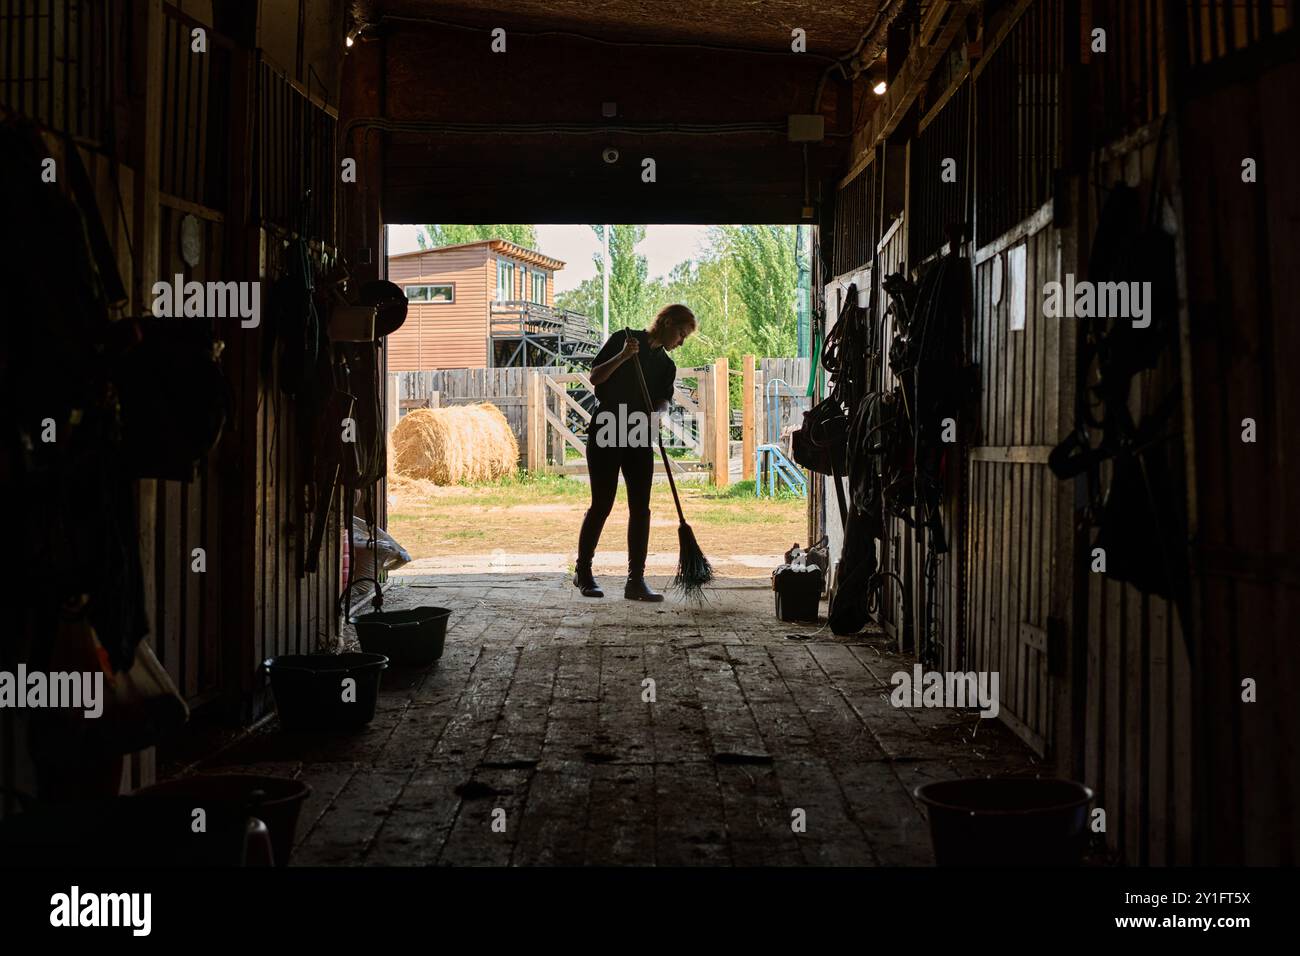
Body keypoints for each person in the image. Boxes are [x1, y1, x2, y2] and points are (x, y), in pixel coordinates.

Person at [574, 304, 696, 601]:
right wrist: (624, 357)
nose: (680, 343)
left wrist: (659, 414)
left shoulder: (666, 366)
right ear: (667, 323)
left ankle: (636, 581)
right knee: (602, 503)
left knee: (641, 508)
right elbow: (596, 378)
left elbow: (663, 399)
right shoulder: (623, 339)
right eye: (681, 334)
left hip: (639, 428)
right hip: (608, 423)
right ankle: (583, 572)